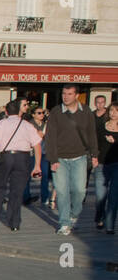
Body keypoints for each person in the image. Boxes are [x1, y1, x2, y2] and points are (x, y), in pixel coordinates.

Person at [43, 84, 99, 236]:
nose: (65, 97)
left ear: (76, 95)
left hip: (79, 158)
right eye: (63, 93)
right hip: (59, 159)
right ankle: (64, 223)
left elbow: (91, 134)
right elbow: (50, 137)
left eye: (69, 94)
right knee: (61, 192)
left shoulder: (86, 111)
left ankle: (74, 214)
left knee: (79, 191)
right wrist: (53, 159)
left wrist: (95, 154)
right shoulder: (56, 112)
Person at [0, 97, 41, 231]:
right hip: (23, 158)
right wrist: (37, 165)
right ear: (19, 112)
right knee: (17, 191)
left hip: (5, 157)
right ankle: (14, 223)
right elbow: (37, 145)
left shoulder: (1, 124)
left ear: (7, 112)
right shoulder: (27, 125)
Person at [96, 102, 118, 235]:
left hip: (117, 165)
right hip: (101, 164)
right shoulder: (101, 126)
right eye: (111, 110)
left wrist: (115, 142)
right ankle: (101, 217)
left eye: (116, 111)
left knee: (113, 197)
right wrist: (93, 157)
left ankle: (110, 225)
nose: (113, 113)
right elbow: (95, 143)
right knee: (100, 196)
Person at [94, 95, 110, 228]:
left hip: (115, 163)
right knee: (100, 193)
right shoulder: (98, 122)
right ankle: (100, 215)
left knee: (113, 194)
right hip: (100, 160)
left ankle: (108, 220)